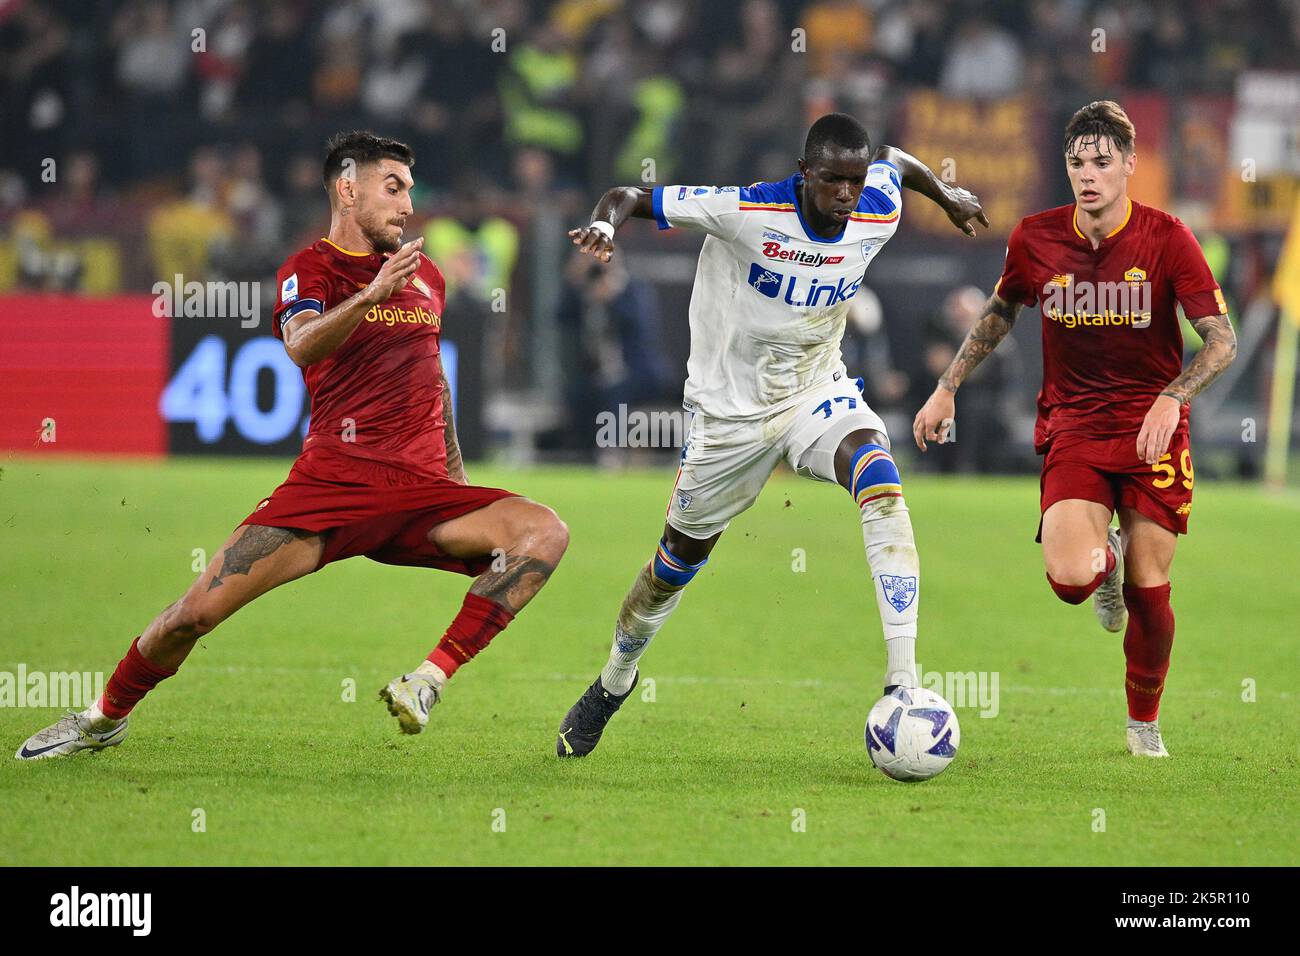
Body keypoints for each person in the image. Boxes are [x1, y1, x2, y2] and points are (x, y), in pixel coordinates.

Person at [16, 131, 569, 760]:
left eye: (410, 191)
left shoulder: (428, 279)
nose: (407, 205)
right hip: (332, 487)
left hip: (421, 493)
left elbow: (434, 384)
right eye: (394, 188)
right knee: (193, 615)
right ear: (347, 188)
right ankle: (101, 717)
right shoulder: (311, 269)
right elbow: (301, 345)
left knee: (545, 532)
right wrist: (371, 293)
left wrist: (458, 482)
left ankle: (427, 680)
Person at [556, 112, 987, 757]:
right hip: (729, 418)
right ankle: (614, 681)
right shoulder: (746, 210)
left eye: (855, 180)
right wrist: (602, 223)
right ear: (806, 173)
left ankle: (903, 686)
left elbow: (897, 162)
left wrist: (947, 196)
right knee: (673, 568)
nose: (848, 194)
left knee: (878, 474)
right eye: (834, 180)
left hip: (817, 392)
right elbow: (629, 197)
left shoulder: (874, 206)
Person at [912, 101, 1237, 758]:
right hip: (1076, 427)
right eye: (1077, 162)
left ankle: (1143, 724)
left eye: (1101, 161)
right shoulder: (1035, 237)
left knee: (1152, 588)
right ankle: (1103, 560)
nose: (1088, 175)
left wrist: (1173, 398)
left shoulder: (1168, 237)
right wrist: (947, 387)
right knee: (1070, 581)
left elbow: (1221, 341)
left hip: (1152, 429)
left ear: (1129, 165)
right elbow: (1001, 311)